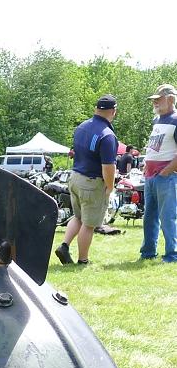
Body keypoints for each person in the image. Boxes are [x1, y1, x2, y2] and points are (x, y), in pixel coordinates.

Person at [55, 95, 118, 265]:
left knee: (78, 217)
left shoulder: (81, 127)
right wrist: (110, 186)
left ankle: (64, 246)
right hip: (91, 182)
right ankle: (83, 260)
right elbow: (108, 167)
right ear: (113, 111)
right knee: (89, 224)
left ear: (96, 109)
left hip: (75, 177)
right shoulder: (107, 135)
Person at [139, 84, 177, 263]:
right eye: (153, 100)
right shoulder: (157, 120)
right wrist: (147, 164)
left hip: (167, 177)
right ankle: (148, 252)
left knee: (168, 216)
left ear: (170, 99)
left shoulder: (176, 120)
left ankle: (172, 254)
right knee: (149, 216)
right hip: (151, 176)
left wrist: (167, 170)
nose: (154, 103)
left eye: (158, 99)